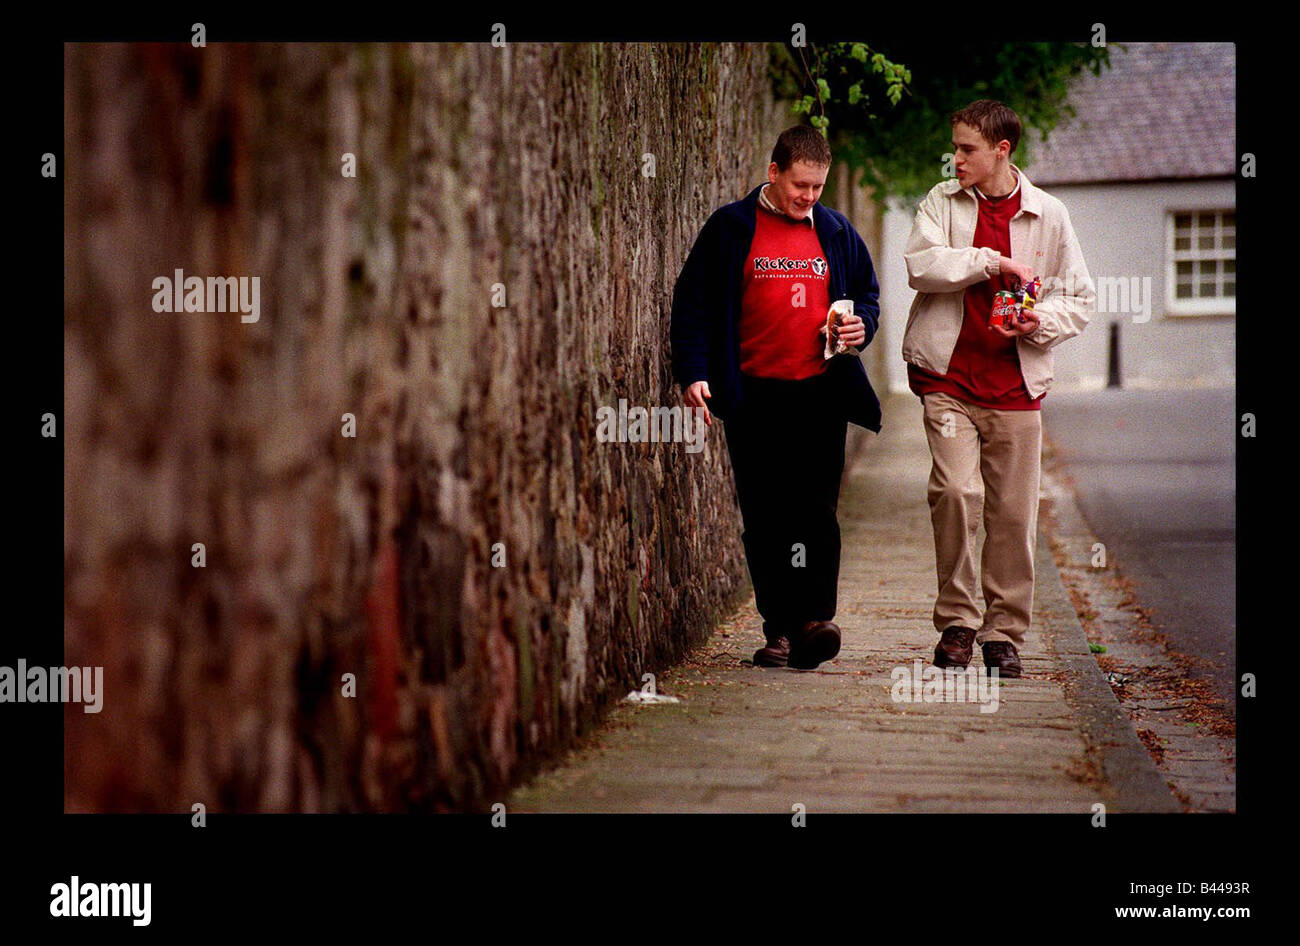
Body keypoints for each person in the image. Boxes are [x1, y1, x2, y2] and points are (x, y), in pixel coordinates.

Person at [670, 125, 882, 670]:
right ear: (774, 173)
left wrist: (862, 326)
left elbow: (866, 295)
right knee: (766, 516)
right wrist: (694, 371)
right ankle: (779, 629)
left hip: (819, 393)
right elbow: (692, 302)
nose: (808, 196)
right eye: (800, 185)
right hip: (753, 395)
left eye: (817, 186)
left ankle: (813, 620)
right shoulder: (730, 227)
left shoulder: (835, 231)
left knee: (815, 512)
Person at [902, 100, 1095, 678]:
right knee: (956, 493)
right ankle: (958, 625)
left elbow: (1077, 299)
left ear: (1001, 151)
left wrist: (1040, 323)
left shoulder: (1049, 214)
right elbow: (921, 265)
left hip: (1015, 385)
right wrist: (991, 262)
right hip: (947, 379)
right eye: (955, 147)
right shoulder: (941, 202)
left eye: (967, 149)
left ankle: (1003, 634)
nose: (956, 158)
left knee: (1012, 514)